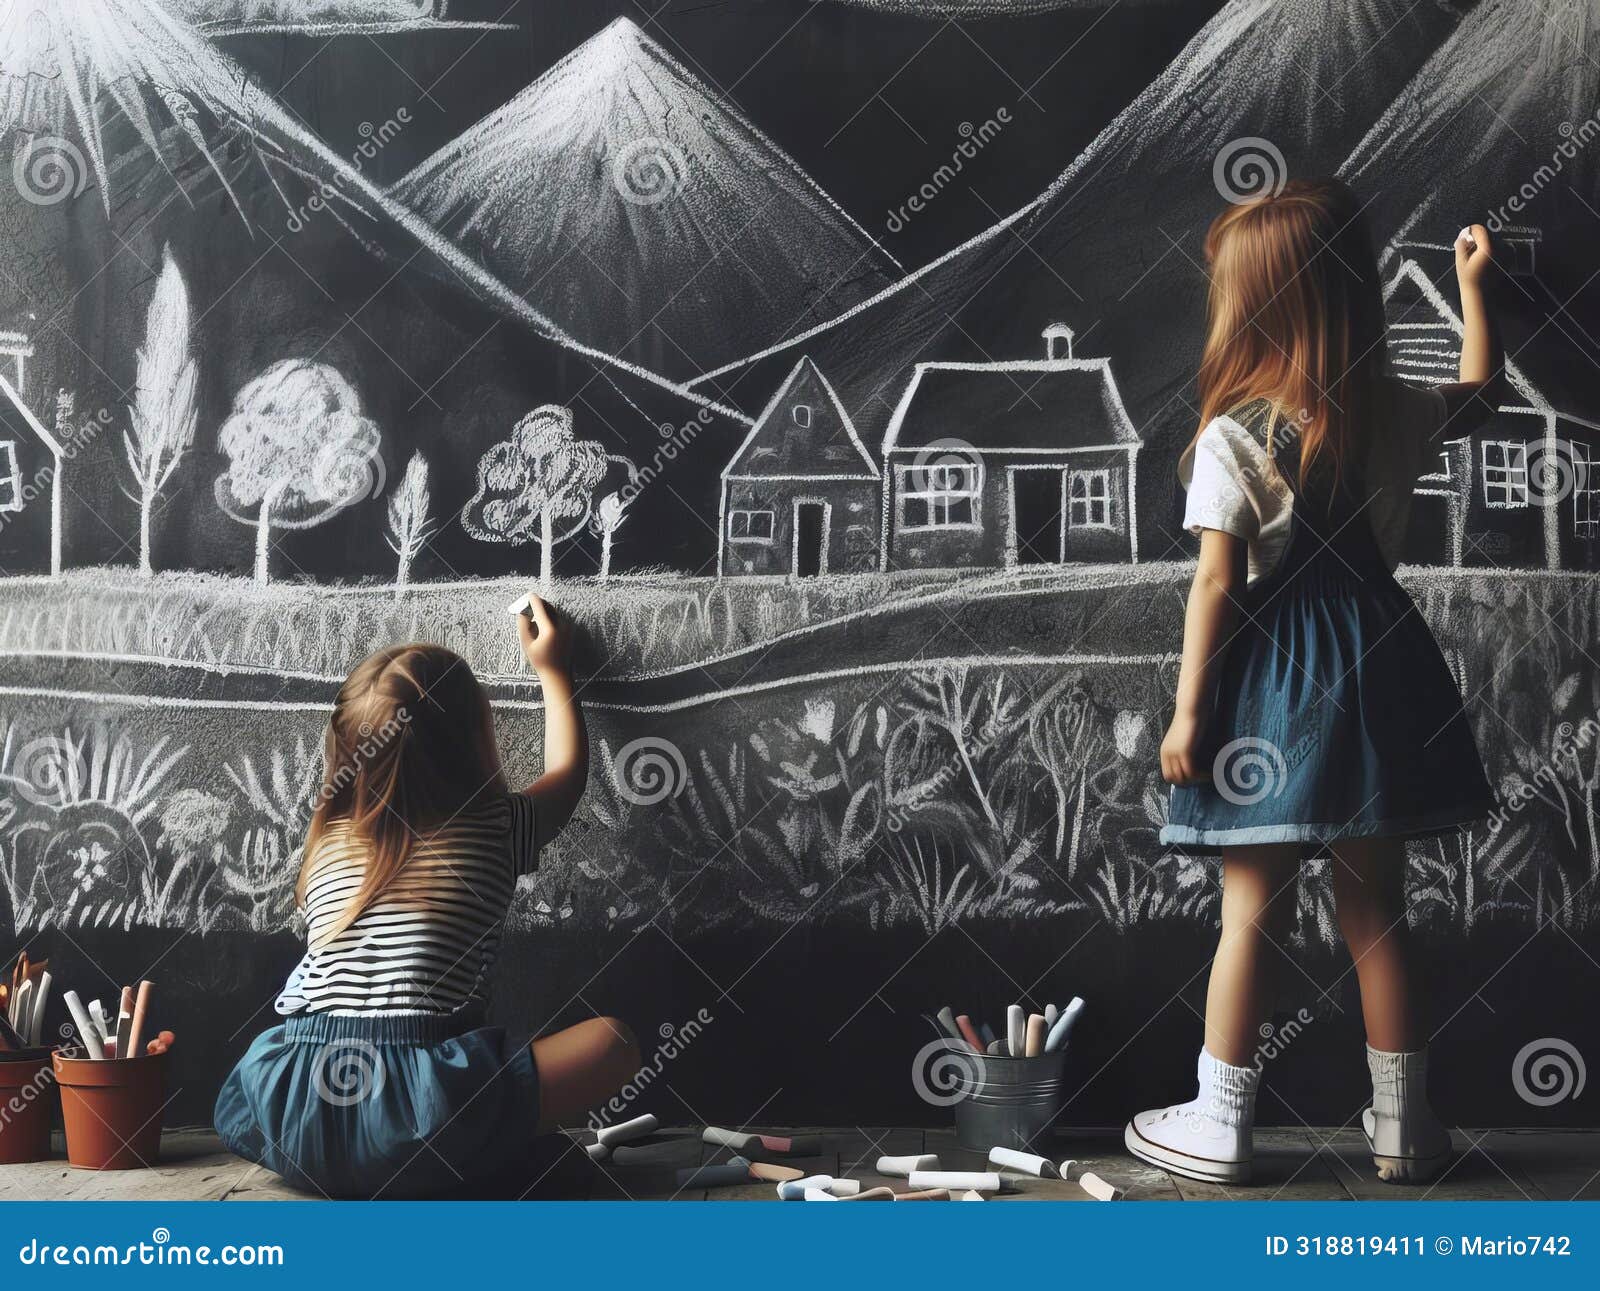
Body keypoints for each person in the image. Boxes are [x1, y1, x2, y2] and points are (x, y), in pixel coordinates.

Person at [1126, 179, 1500, 1185]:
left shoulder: (1233, 435)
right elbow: (1488, 394)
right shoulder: (1398, 411)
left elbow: (1215, 581)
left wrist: (1189, 711)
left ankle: (1219, 1121)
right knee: (1377, 912)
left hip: (1274, 689)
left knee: (1246, 912)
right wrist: (1476, 289)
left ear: (1254, 304)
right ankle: (1404, 1127)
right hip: (1383, 665)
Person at [216, 594, 639, 1197]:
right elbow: (568, 773)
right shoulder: (496, 825)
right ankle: (435, 1157)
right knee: (614, 1042)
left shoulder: (328, 839)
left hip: (298, 1109)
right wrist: (552, 667)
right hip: (416, 1109)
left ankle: (381, 1159)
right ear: (471, 744)